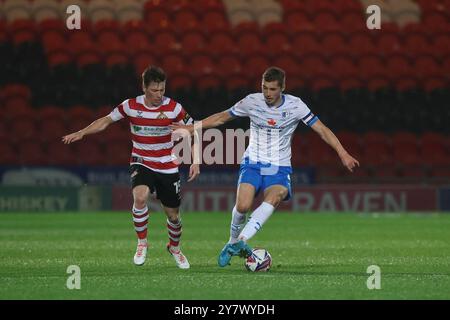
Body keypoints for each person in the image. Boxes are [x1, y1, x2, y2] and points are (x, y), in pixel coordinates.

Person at [171, 66, 359, 267]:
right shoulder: (252, 101)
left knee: (276, 196)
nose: (267, 93)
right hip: (253, 162)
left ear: (282, 88)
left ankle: (241, 241)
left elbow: (322, 129)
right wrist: (192, 127)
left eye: (272, 89)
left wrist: (343, 153)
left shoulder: (296, 106)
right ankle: (232, 242)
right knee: (242, 206)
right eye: (264, 88)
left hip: (279, 167)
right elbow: (221, 117)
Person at [62, 66, 199, 269]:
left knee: (173, 216)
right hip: (141, 160)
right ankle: (142, 243)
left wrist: (196, 160)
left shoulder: (174, 108)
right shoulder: (130, 106)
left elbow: (194, 129)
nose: (159, 95)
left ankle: (174, 248)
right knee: (140, 197)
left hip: (167, 164)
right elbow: (105, 121)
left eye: (162, 90)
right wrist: (83, 132)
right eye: (154, 90)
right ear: (144, 87)